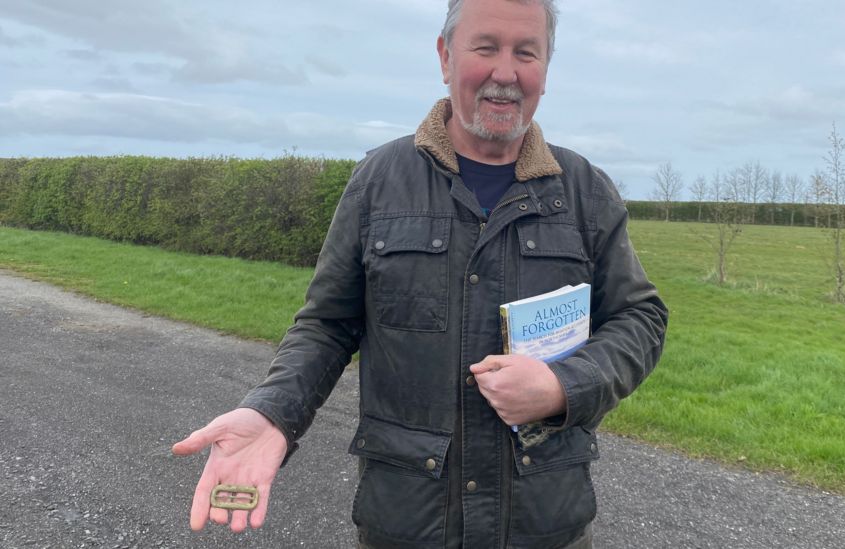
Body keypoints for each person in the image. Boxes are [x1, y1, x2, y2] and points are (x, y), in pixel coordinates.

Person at [172, 0, 667, 547]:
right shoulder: (379, 181)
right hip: (409, 522)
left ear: (545, 69)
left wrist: (562, 385)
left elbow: (640, 318)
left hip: (544, 523)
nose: (506, 73)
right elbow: (328, 325)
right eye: (486, 48)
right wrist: (272, 412)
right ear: (445, 55)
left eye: (526, 53)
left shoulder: (583, 191)